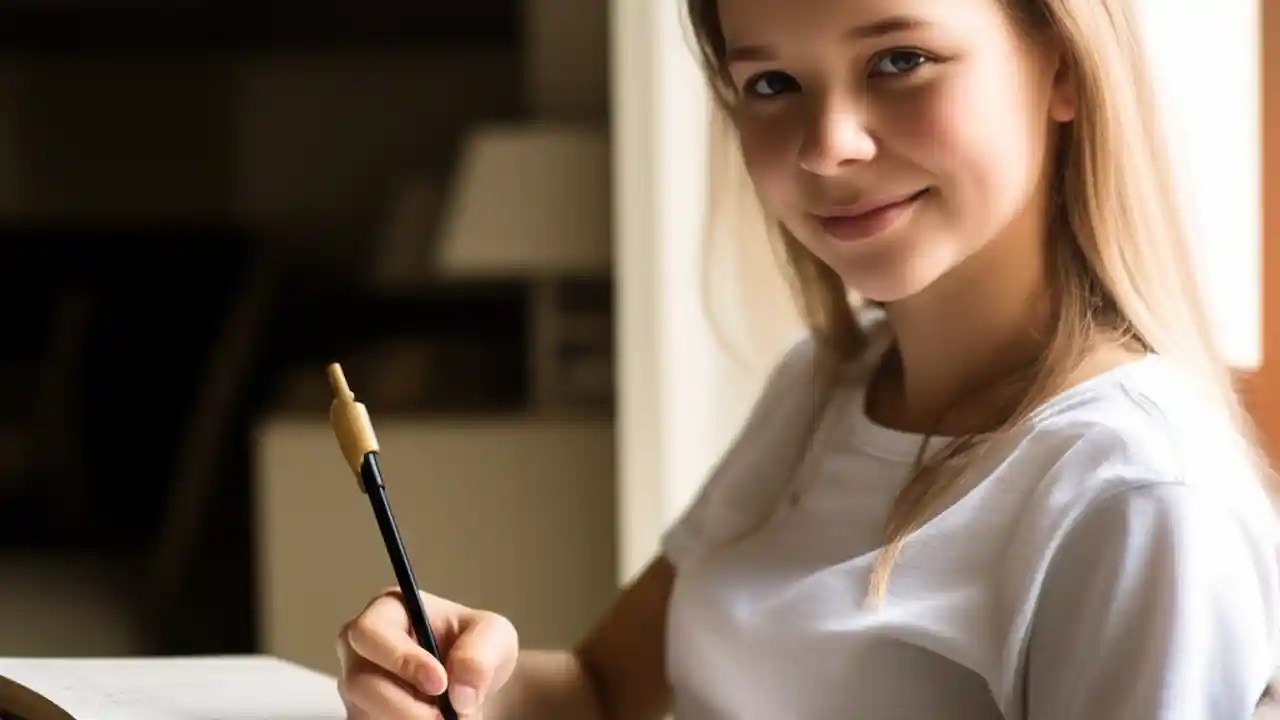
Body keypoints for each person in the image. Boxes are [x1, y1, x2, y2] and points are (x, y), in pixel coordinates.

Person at [333, 0, 1280, 717]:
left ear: (1062, 64)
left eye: (900, 60)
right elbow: (601, 689)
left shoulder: (1138, 498)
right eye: (772, 84)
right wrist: (465, 676)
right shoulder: (827, 386)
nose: (829, 147)